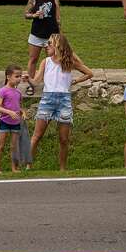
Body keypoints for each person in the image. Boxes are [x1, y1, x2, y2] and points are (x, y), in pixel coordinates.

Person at [29, 33, 93, 171]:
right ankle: (28, 166)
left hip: (64, 100)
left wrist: (75, 81)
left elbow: (89, 73)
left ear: (58, 46)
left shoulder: (69, 62)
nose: (47, 46)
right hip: (47, 99)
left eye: (50, 43)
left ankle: (62, 169)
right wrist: (27, 79)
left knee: (64, 139)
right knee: (37, 136)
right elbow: (35, 81)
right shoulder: (46, 61)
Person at [24, 0, 60, 95]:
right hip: (37, 35)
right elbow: (26, 14)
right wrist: (34, 15)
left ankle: (50, 84)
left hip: (52, 36)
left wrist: (60, 35)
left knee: (52, 60)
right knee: (33, 59)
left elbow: (58, 19)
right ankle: (31, 84)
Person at [0, 64, 26, 175]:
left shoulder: (18, 92)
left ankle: (14, 168)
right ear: (8, 77)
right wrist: (9, 112)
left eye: (20, 76)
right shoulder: (3, 90)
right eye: (16, 76)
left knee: (14, 146)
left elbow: (19, 106)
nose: (19, 79)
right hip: (4, 122)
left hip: (16, 123)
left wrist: (23, 113)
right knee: (1, 146)